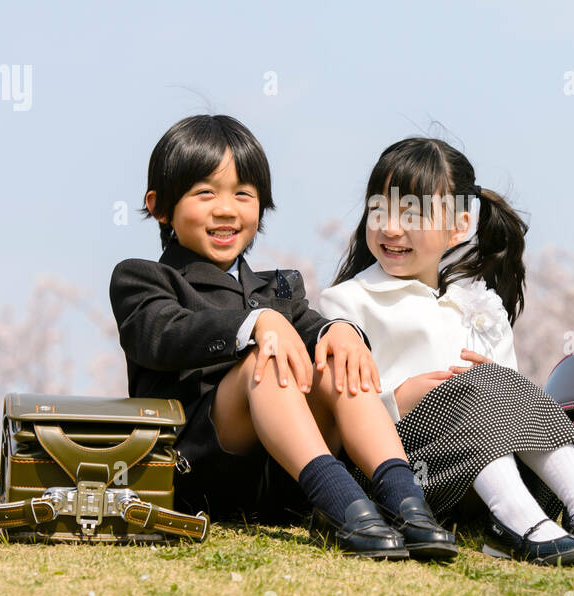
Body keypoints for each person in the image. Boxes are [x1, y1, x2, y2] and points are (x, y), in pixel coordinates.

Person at [109, 114, 456, 560]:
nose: (226, 209)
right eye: (205, 193)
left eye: (243, 194)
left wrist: (343, 331)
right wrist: (254, 326)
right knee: (265, 359)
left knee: (337, 357)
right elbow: (159, 333)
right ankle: (344, 505)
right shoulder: (145, 278)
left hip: (281, 483)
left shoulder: (279, 288)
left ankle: (408, 504)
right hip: (201, 470)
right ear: (160, 206)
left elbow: (313, 329)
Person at [317, 137, 574, 566]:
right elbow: (336, 410)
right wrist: (399, 400)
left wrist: (495, 379)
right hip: (409, 477)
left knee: (501, 381)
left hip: (493, 480)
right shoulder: (348, 303)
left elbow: (516, 406)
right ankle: (523, 526)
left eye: (413, 215)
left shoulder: (480, 301)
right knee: (470, 391)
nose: (391, 228)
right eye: (379, 210)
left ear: (458, 226)